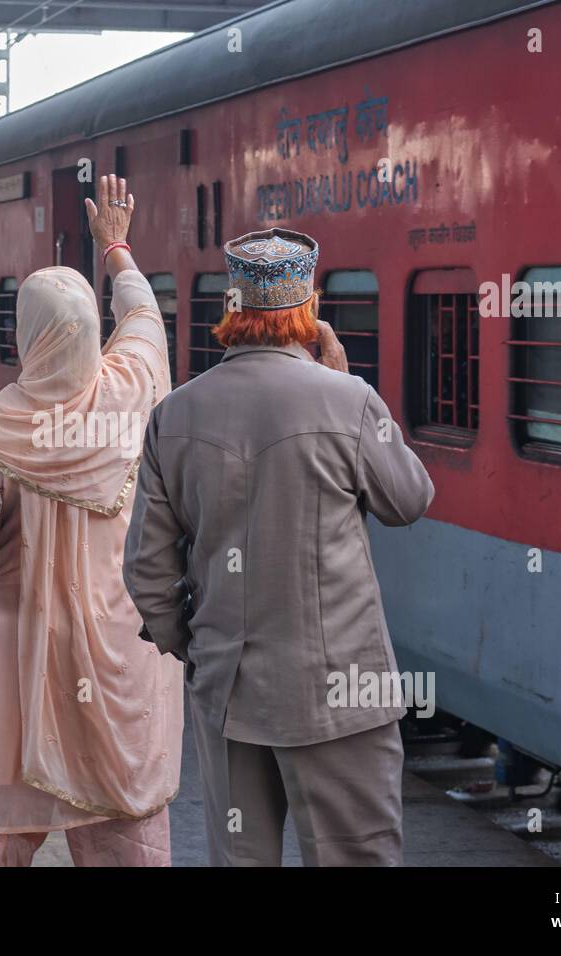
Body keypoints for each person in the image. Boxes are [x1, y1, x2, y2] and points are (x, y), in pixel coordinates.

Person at [122, 227, 435, 866]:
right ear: (308, 311)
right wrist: (349, 387)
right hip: (339, 696)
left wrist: (197, 644)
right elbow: (408, 499)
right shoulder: (348, 401)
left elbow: (147, 569)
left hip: (228, 692)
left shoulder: (175, 414)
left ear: (232, 310)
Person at [0, 174, 183, 867]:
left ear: (26, 336)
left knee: (0, 839)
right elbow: (144, 313)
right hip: (115, 656)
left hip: (3, 653)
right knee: (125, 831)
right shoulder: (133, 390)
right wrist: (115, 246)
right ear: (92, 333)